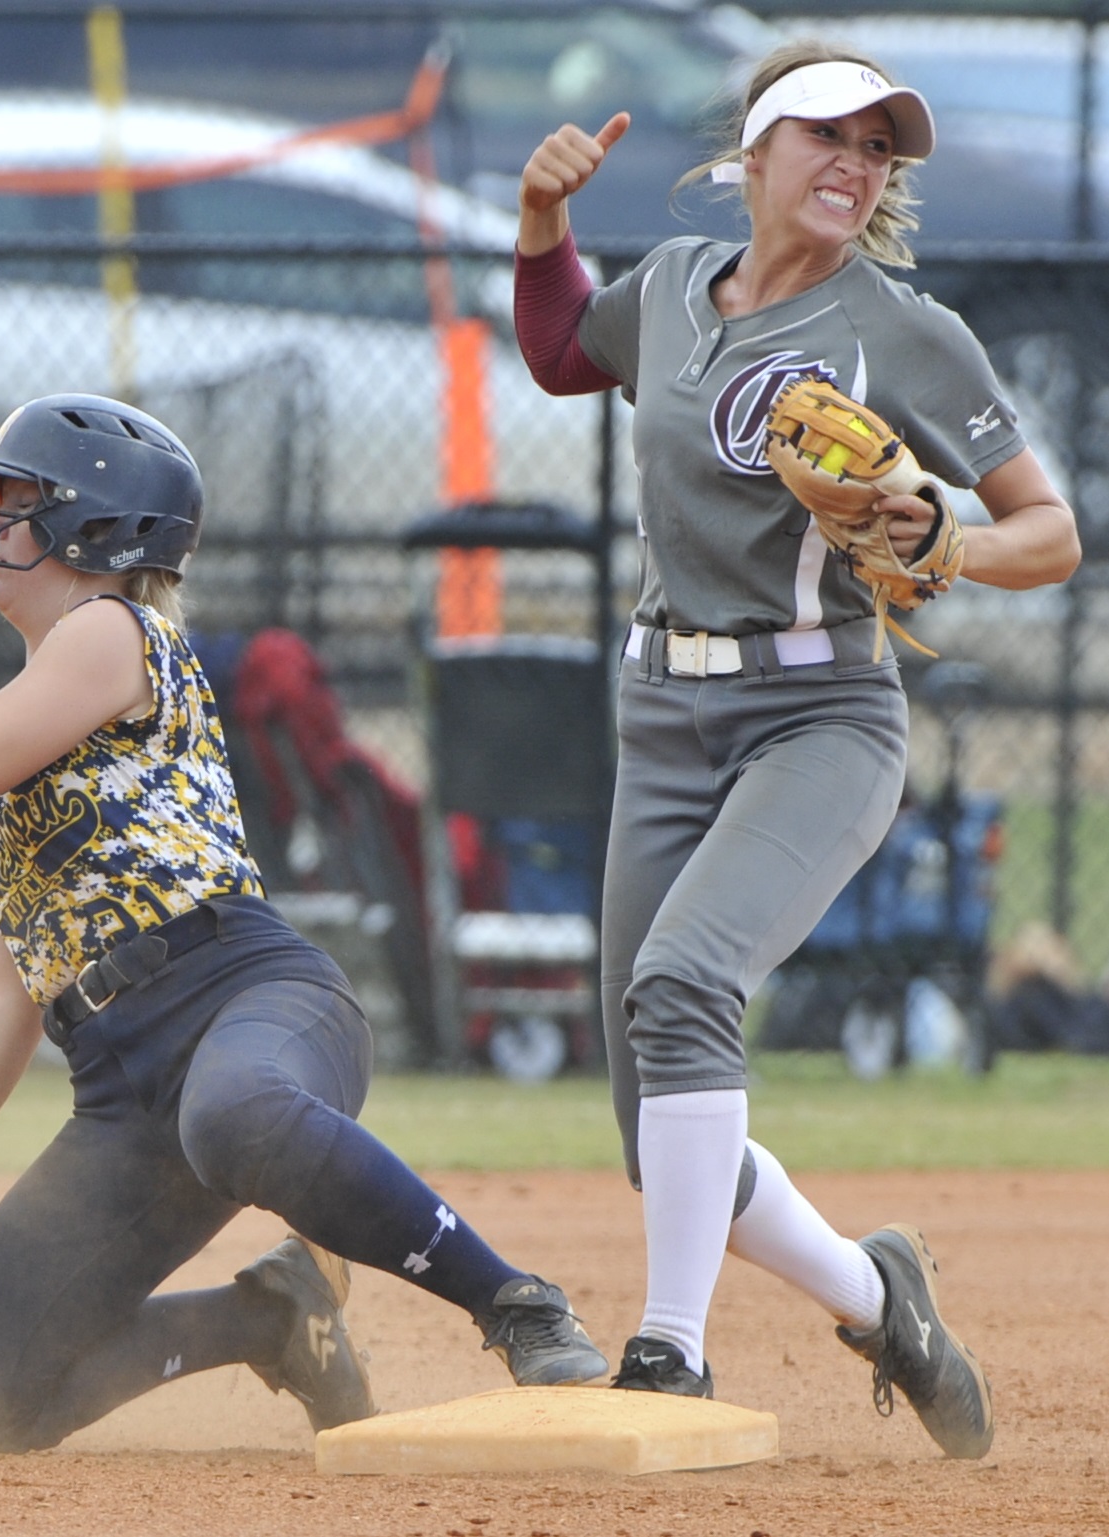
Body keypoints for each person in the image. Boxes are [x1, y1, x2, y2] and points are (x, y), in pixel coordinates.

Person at [514, 40, 1080, 1458]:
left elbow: (1051, 530)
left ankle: (670, 1352)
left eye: (879, 149)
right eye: (828, 135)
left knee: (688, 982)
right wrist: (540, 229)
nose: (857, 163)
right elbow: (555, 350)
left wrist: (951, 537)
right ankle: (879, 1295)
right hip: (660, 719)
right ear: (751, 156)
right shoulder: (662, 292)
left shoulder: (900, 332)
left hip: (819, 712)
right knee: (662, 1134)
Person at [0, 392, 608, 1454]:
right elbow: (2, 1002)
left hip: (249, 998)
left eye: (16, 504)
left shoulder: (112, 631)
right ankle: (268, 1320)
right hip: (126, 1090)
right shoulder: (13, 761)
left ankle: (516, 1302)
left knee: (234, 1112)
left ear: (98, 528)